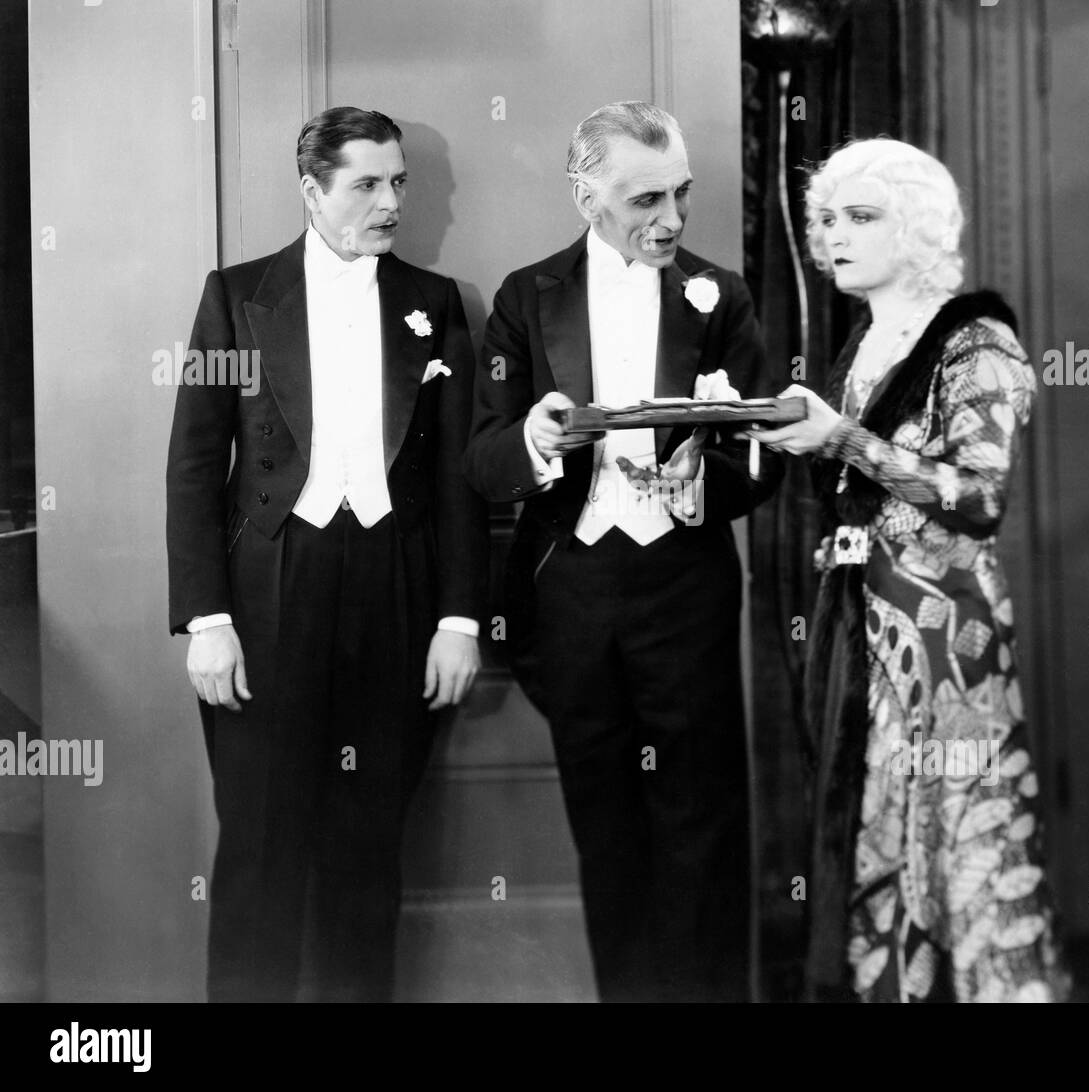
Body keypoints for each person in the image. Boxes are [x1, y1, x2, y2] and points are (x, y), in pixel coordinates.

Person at [166, 106, 488, 1001]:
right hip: (271, 592)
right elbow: (194, 467)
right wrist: (208, 619)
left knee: (367, 850)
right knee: (259, 847)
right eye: (367, 185)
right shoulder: (236, 297)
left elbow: (461, 478)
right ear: (312, 191)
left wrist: (460, 615)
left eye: (399, 183)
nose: (391, 202)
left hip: (398, 591)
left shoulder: (435, 304)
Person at [464, 101, 781, 1002]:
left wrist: (708, 477)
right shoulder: (528, 298)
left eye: (681, 194)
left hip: (685, 590)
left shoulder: (720, 293)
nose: (671, 221)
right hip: (573, 595)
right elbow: (483, 458)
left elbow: (762, 455)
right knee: (606, 832)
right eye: (646, 199)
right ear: (585, 195)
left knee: (705, 829)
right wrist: (532, 435)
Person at [749, 138, 1069, 1002]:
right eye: (825, 219)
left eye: (861, 216)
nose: (834, 235)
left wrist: (843, 438)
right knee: (866, 814)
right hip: (862, 614)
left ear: (918, 225)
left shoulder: (976, 341)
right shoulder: (868, 335)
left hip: (944, 630)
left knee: (950, 819)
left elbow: (979, 496)